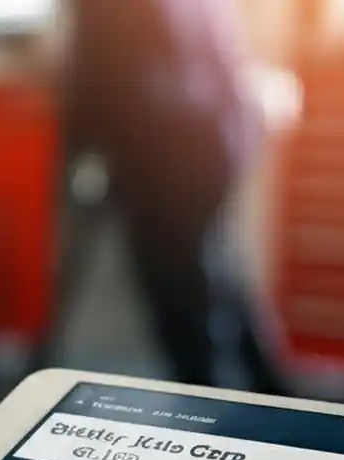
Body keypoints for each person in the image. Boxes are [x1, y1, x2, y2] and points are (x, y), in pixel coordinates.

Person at [67, 0, 283, 392]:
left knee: (179, 295)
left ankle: (204, 409)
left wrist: (77, 147)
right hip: (219, 139)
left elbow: (97, 71)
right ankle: (273, 395)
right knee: (215, 275)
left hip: (161, 150)